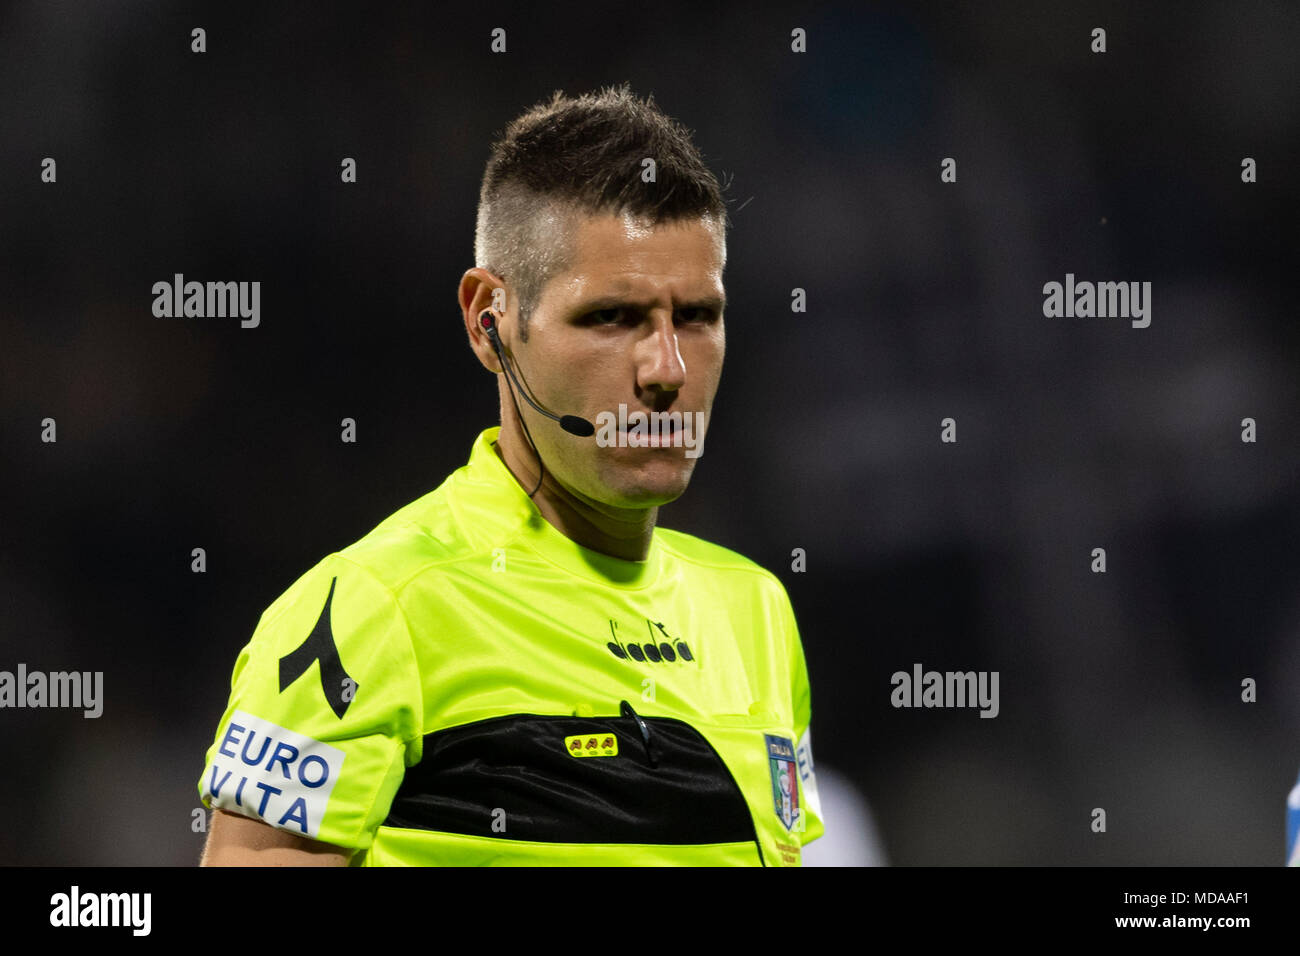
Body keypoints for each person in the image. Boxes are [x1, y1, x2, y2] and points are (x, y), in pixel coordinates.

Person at [197, 83, 824, 866]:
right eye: (611, 317)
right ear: (489, 320)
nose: (667, 368)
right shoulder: (372, 610)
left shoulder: (756, 612)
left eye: (697, 316)